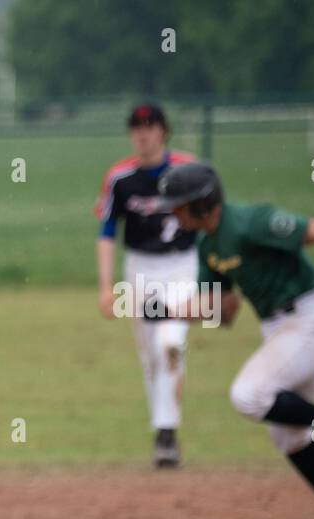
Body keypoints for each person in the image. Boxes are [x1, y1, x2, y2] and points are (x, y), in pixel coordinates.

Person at [155, 161, 314, 519]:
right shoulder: (208, 245)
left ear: (203, 204)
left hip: (311, 316)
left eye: (179, 205)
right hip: (283, 328)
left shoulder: (250, 222)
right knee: (288, 436)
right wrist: (167, 310)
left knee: (249, 395)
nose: (172, 213)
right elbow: (226, 310)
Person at [94, 103, 198, 467]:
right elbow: (107, 232)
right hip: (140, 271)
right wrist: (106, 287)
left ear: (164, 131)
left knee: (172, 341)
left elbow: (212, 219)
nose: (143, 133)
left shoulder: (187, 170)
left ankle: (167, 430)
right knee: (151, 353)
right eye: (136, 127)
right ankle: (164, 434)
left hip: (183, 267)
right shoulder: (121, 178)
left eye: (150, 126)